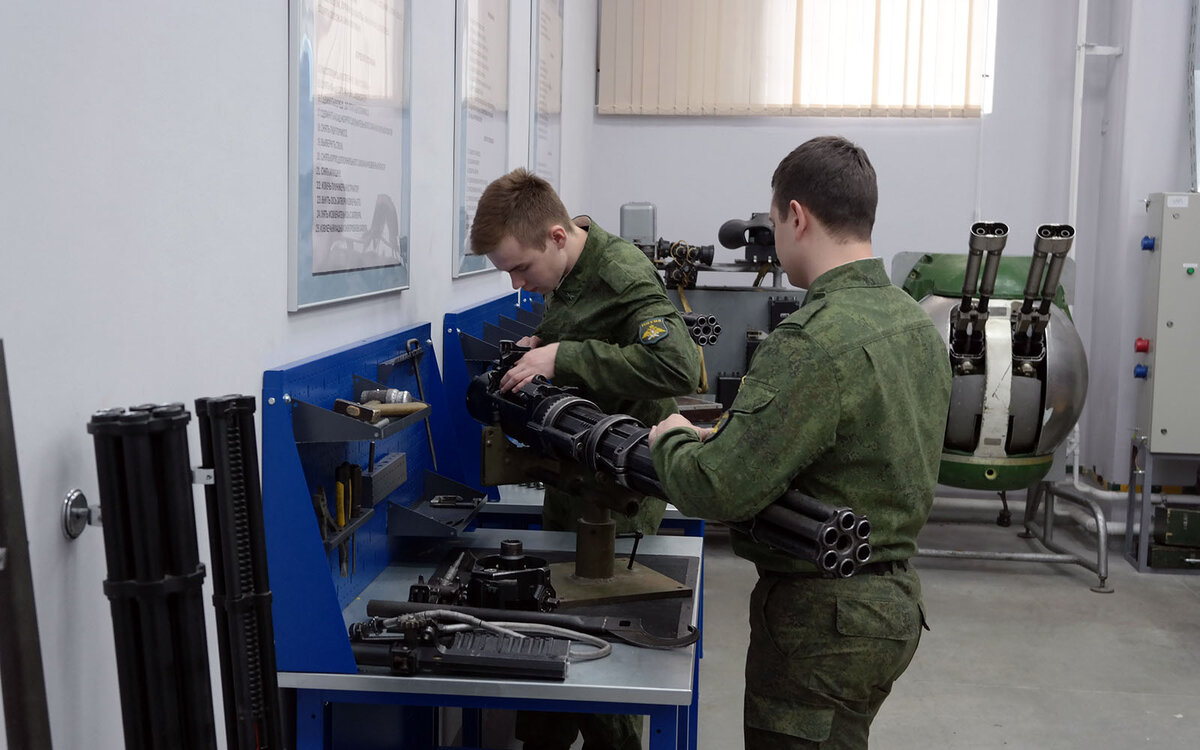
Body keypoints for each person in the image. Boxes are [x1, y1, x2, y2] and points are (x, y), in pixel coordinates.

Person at [648, 136, 952, 750]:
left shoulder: (810, 340)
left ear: (796, 216)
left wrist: (673, 440)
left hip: (821, 627)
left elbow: (719, 487)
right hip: (890, 606)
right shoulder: (913, 321)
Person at [470, 168, 702, 750]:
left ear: (555, 235)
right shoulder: (566, 272)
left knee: (604, 653)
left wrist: (564, 357)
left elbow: (676, 366)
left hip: (617, 482)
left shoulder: (620, 273)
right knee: (551, 636)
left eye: (521, 269)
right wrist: (540, 350)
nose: (520, 286)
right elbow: (581, 333)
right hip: (574, 469)